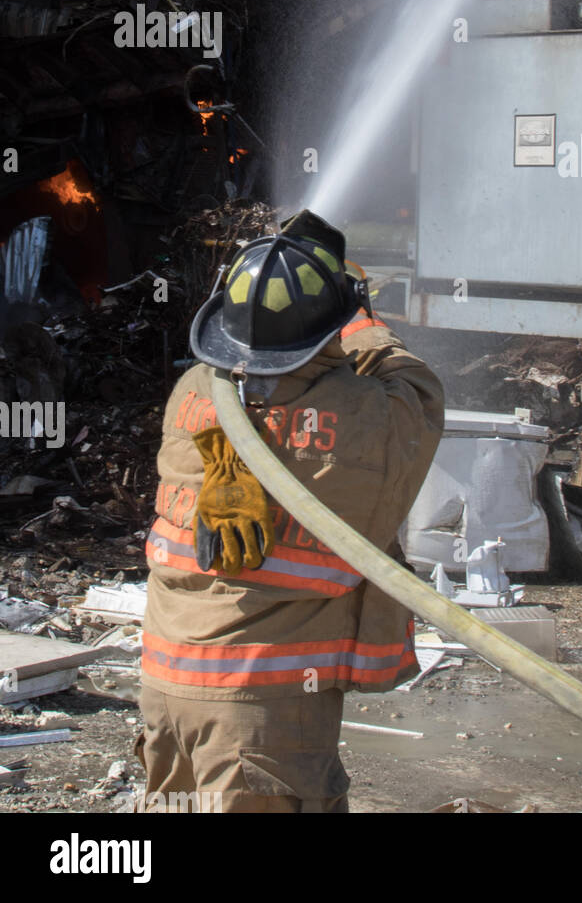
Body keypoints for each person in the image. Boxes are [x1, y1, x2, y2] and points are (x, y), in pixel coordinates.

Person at [136, 210, 443, 813]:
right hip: (262, 713)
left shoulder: (194, 393)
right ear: (330, 326)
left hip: (166, 688)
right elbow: (420, 390)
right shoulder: (366, 418)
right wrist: (361, 323)